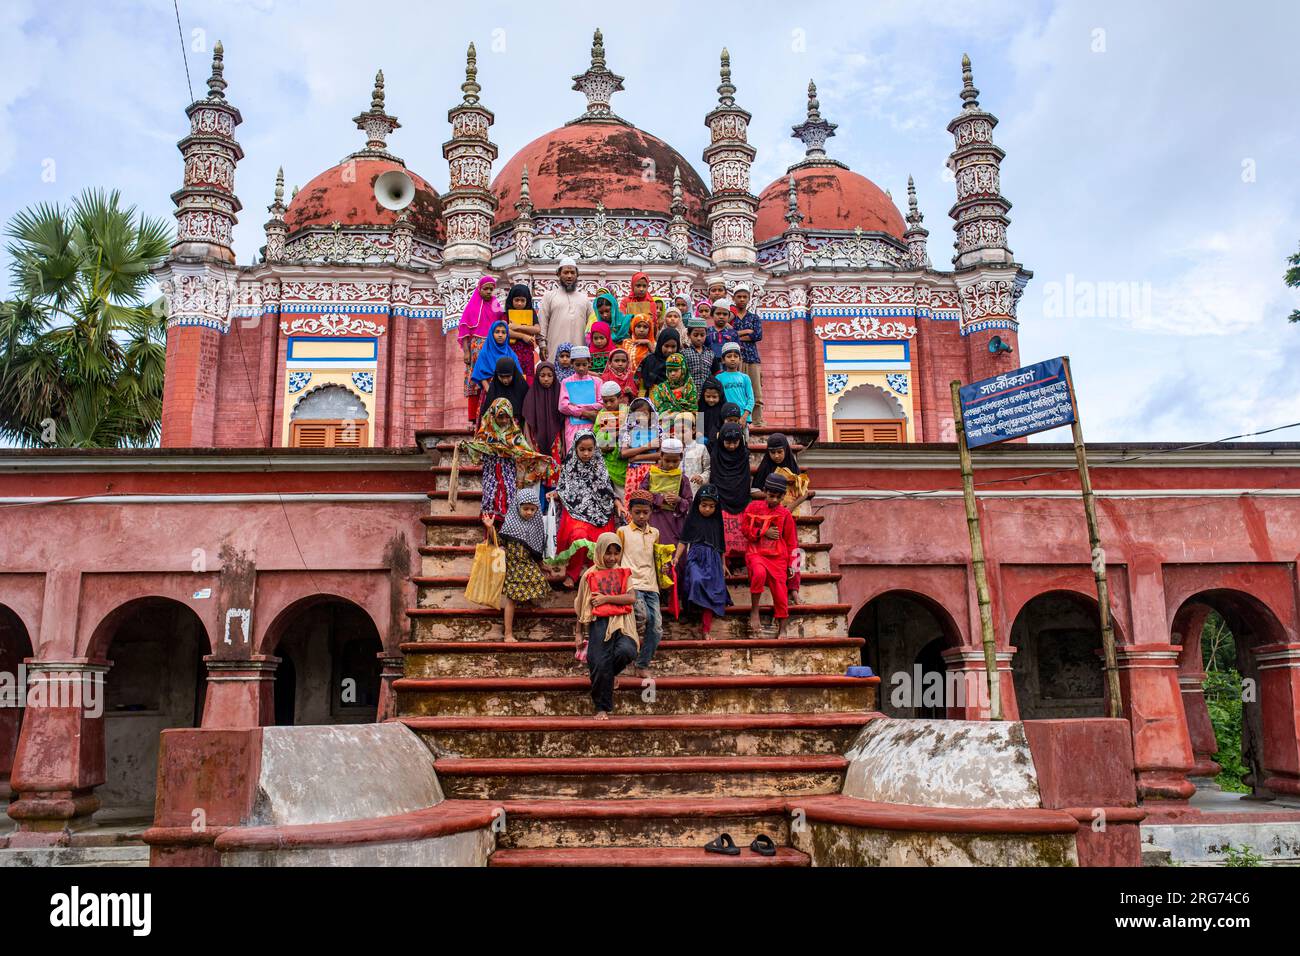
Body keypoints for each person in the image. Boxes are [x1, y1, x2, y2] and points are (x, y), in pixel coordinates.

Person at [573, 532, 638, 719]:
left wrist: (606, 598)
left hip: (623, 621)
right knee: (599, 664)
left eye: (616, 553)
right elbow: (581, 604)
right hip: (598, 622)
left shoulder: (623, 572)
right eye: (608, 553)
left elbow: (631, 597)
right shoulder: (589, 575)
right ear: (600, 551)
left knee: (628, 651)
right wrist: (578, 633)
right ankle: (602, 708)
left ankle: (607, 677)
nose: (612, 558)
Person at [459, 397, 554, 522]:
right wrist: (465, 446)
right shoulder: (485, 432)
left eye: (507, 416)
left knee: (509, 498)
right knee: (490, 498)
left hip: (508, 473)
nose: (504, 420)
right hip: (491, 473)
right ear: (493, 416)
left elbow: (526, 452)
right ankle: (490, 535)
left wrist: (542, 459)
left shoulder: (514, 433)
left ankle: (507, 536)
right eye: (500, 416)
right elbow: (478, 449)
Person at [551, 431, 625, 588]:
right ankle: (572, 573)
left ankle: (595, 574)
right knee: (579, 536)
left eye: (590, 449)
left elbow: (607, 490)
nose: (586, 453)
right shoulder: (569, 467)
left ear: (595, 449)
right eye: (582, 449)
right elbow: (564, 488)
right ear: (575, 449)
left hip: (599, 512)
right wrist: (556, 493)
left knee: (600, 539)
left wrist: (617, 502)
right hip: (575, 511)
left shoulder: (600, 465)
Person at [493, 487, 553, 642]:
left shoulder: (535, 525)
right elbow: (498, 542)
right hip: (512, 566)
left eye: (533, 510)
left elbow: (535, 549)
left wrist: (541, 564)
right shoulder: (510, 523)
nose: (529, 513)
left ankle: (528, 602)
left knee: (539, 581)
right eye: (525, 509)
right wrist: (490, 530)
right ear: (517, 506)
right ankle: (508, 633)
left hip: (527, 564)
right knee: (511, 599)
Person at [744, 473, 798, 638]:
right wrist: (762, 531)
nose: (773, 500)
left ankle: (783, 627)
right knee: (759, 573)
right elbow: (745, 530)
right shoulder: (753, 507)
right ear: (765, 492)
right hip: (756, 552)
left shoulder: (785, 514)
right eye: (770, 495)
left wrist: (792, 566)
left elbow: (792, 542)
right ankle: (754, 611)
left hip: (778, 557)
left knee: (781, 593)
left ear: (783, 497)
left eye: (777, 497)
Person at [675, 484, 730, 638]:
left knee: (711, 590)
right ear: (698, 503)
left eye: (712, 506)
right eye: (704, 505)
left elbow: (721, 545)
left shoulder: (717, 522)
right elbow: (683, 540)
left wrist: (723, 564)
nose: (707, 509)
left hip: (713, 560)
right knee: (696, 580)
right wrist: (677, 557)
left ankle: (705, 629)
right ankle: (690, 613)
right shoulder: (692, 520)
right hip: (695, 557)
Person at [618, 490, 663, 678]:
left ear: (651, 511)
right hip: (632, 585)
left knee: (656, 627)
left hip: (651, 585)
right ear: (630, 511)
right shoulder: (623, 532)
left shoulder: (655, 533)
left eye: (645, 512)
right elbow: (618, 559)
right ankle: (621, 657)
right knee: (641, 617)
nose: (642, 516)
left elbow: (655, 559)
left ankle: (642, 663)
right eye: (637, 512)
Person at [457, 275, 502, 422]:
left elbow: (503, 321)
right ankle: (473, 417)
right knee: (475, 381)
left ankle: (493, 414)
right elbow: (464, 330)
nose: (489, 292)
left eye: (491, 289)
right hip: (476, 347)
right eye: (486, 289)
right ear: (479, 289)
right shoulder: (472, 306)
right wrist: (466, 351)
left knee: (492, 379)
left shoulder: (496, 304)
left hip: (493, 347)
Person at [522, 361, 565, 505]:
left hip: (555, 440)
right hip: (536, 439)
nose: (546, 379)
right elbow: (527, 421)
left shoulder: (559, 392)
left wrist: (564, 444)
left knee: (554, 471)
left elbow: (563, 422)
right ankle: (539, 506)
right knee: (538, 473)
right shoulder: (531, 394)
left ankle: (553, 508)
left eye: (549, 375)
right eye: (542, 375)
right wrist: (528, 442)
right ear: (537, 377)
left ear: (554, 376)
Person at [710, 422, 753, 563]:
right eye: (728, 442)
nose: (732, 446)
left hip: (740, 496)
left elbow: (745, 477)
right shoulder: (716, 454)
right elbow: (715, 476)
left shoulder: (744, 455)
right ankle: (724, 561)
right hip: (722, 498)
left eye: (735, 442)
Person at [639, 436, 692, 546]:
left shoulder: (683, 479)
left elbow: (689, 503)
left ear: (681, 457)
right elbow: (641, 495)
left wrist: (679, 500)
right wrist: (660, 498)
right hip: (654, 519)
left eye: (675, 461)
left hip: (675, 523)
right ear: (661, 456)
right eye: (667, 461)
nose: (671, 465)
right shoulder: (651, 475)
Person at [470, 320, 525, 421]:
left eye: (503, 332)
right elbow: (481, 376)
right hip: (490, 393)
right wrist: (491, 392)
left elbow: (518, 376)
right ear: (491, 334)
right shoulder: (485, 353)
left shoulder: (511, 354)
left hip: (509, 394)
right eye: (497, 332)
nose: (500, 335)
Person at [538, 257, 590, 362]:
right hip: (554, 351)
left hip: (579, 352)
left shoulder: (584, 299)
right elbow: (542, 322)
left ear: (577, 275)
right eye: (566, 272)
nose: (569, 276)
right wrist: (542, 345)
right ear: (558, 274)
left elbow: (591, 326)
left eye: (572, 272)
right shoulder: (549, 296)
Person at [731, 284, 765, 426]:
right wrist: (747, 332)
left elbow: (758, 335)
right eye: (739, 296)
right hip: (735, 359)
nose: (742, 299)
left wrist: (737, 335)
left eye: (745, 297)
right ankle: (735, 419)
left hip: (752, 358)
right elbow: (729, 335)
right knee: (736, 390)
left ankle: (757, 422)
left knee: (755, 391)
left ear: (749, 299)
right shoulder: (730, 318)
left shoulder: (754, 317)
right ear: (734, 298)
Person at [752, 433, 813, 512]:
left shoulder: (792, 467)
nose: (776, 456)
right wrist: (773, 495)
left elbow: (804, 492)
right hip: (768, 511)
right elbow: (753, 491)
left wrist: (790, 507)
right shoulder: (765, 467)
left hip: (789, 511)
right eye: (773, 452)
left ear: (786, 450)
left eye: (779, 452)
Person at [558, 345, 602, 451]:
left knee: (592, 454)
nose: (581, 368)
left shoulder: (597, 381)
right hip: (573, 425)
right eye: (577, 365)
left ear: (589, 364)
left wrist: (575, 406)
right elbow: (562, 406)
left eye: (584, 364)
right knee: (573, 454)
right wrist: (584, 413)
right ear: (572, 364)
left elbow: (601, 404)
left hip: (592, 424)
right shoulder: (566, 382)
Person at [619, 397, 661, 508]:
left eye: (644, 414)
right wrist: (648, 446)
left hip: (653, 472)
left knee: (651, 502)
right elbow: (624, 453)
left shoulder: (658, 431)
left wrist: (635, 457)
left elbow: (660, 455)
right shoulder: (629, 431)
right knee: (634, 502)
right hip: (634, 473)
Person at [650, 353, 699, 436]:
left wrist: (673, 412)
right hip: (665, 429)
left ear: (683, 369)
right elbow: (658, 409)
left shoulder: (690, 388)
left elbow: (693, 409)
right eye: (669, 371)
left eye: (676, 370)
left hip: (686, 429)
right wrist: (679, 411)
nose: (672, 373)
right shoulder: (660, 389)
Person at [594, 380, 627, 492]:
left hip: (625, 464)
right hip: (607, 464)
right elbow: (598, 439)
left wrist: (615, 435)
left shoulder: (628, 412)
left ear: (620, 398)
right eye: (605, 401)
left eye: (612, 400)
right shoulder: (600, 415)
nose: (608, 404)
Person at [505, 283, 541, 384]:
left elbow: (537, 329)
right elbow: (505, 331)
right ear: (511, 300)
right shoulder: (506, 314)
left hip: (527, 354)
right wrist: (523, 336)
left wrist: (517, 327)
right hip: (510, 353)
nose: (519, 303)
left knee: (527, 382)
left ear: (527, 301)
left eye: (522, 300)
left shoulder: (531, 312)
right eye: (517, 300)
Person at [479, 355, 528, 426]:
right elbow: (487, 416)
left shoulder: (523, 388)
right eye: (501, 376)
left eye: (508, 376)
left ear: (514, 373)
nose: (505, 380)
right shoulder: (493, 390)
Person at [716, 342, 755, 423]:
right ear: (723, 360)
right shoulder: (719, 378)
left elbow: (751, 399)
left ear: (740, 359)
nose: (732, 359)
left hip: (743, 418)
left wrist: (744, 416)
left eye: (736, 356)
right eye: (729, 356)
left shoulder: (745, 378)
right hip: (726, 419)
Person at [638, 327, 682, 394]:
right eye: (666, 346)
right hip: (652, 399)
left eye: (673, 347)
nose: (669, 350)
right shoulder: (650, 361)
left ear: (678, 346)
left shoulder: (680, 362)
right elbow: (643, 385)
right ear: (660, 344)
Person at [680, 316, 715, 397]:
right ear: (689, 335)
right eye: (695, 335)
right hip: (689, 394)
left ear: (706, 334)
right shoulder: (684, 353)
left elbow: (715, 374)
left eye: (702, 335)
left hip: (707, 395)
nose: (699, 338)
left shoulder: (711, 354)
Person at [678, 413, 710, 489]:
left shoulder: (701, 448)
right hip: (676, 493)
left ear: (693, 430)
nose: (679, 435)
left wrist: (701, 477)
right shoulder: (673, 449)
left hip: (694, 490)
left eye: (683, 431)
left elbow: (708, 469)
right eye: (677, 431)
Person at [621, 314, 656, 383]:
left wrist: (648, 343)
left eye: (645, 327)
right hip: (627, 380)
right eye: (638, 326)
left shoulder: (653, 344)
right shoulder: (626, 343)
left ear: (650, 329)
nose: (641, 330)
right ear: (633, 327)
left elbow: (658, 360)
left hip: (647, 381)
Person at [704, 297, 740, 367]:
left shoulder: (733, 333)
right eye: (718, 313)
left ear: (729, 316)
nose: (721, 316)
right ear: (712, 315)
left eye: (725, 314)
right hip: (709, 366)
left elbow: (737, 353)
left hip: (728, 368)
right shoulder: (706, 332)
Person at [698, 378, 726, 445]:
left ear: (720, 396)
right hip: (703, 440)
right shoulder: (701, 407)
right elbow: (699, 425)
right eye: (708, 396)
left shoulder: (723, 409)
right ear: (703, 395)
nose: (711, 400)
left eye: (714, 397)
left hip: (719, 440)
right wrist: (699, 433)